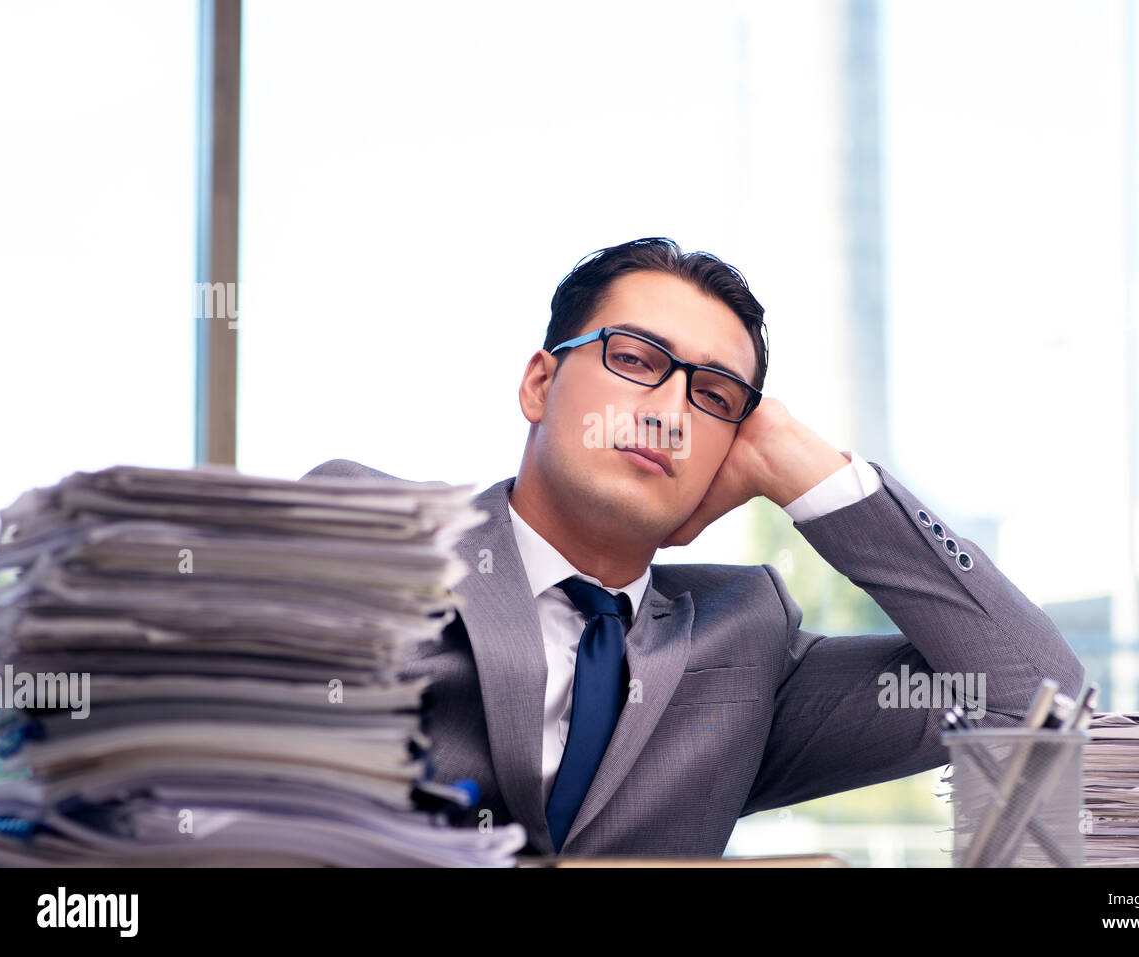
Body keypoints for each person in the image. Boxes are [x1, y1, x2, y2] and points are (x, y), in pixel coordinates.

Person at [304, 236, 1084, 858]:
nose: (671, 411)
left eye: (714, 395)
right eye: (637, 359)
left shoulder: (742, 644)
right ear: (540, 384)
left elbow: (1032, 694)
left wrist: (801, 464)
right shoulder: (374, 535)